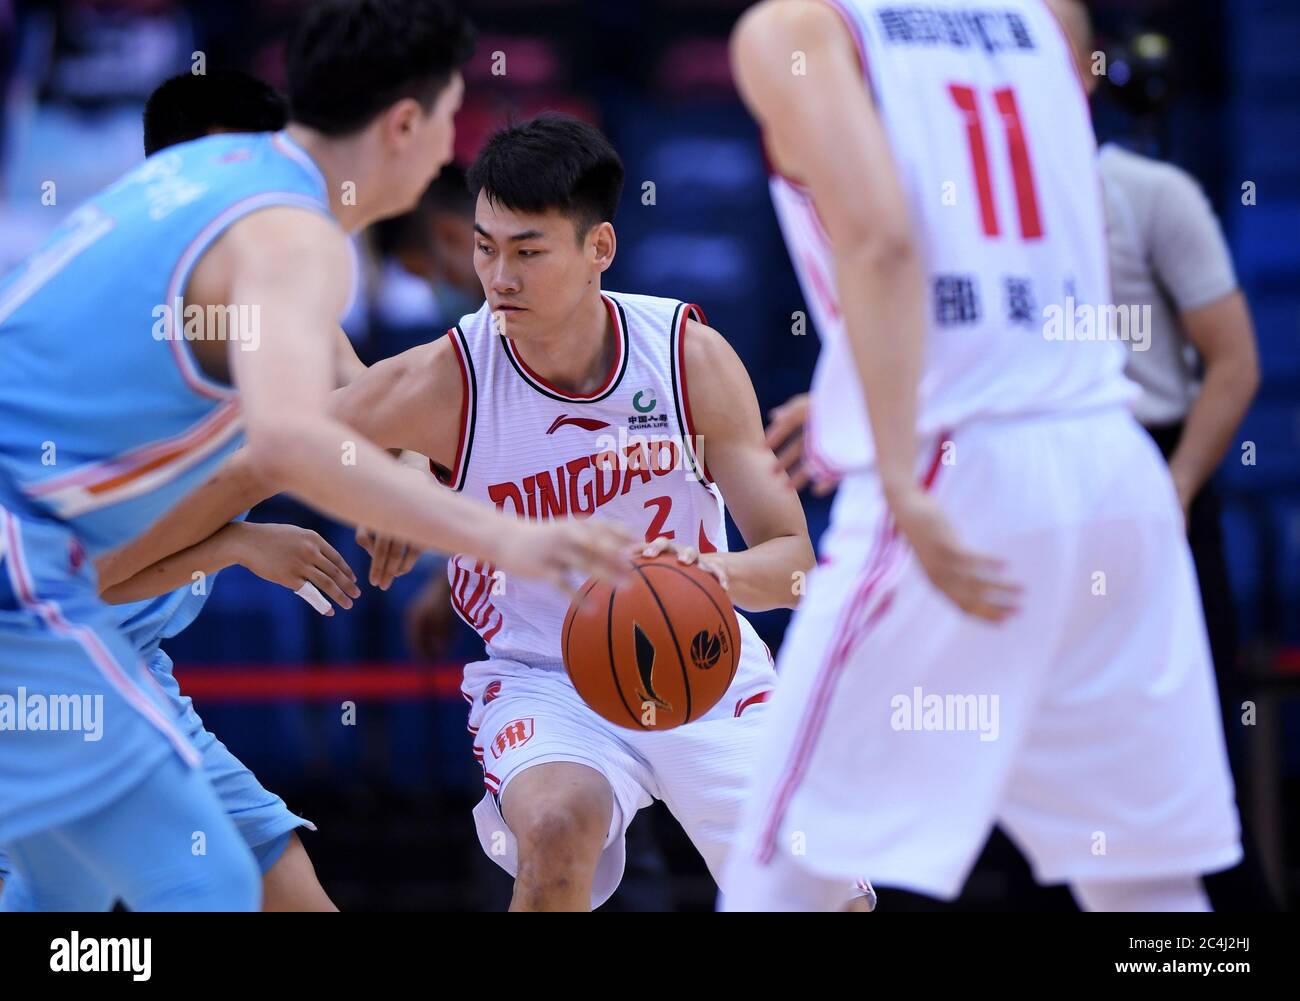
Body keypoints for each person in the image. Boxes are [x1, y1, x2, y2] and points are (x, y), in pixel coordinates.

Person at [0, 0, 627, 912]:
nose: (456, 140)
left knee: (94, 897)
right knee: (202, 887)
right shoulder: (293, 235)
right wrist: (507, 538)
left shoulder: (231, 173)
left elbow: (352, 405)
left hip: (67, 597)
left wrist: (402, 481)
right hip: (31, 589)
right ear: (405, 125)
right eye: (452, 112)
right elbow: (294, 440)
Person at [722, 0, 1240, 912]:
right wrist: (857, 377)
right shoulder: (1049, 15)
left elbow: (883, 241)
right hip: (1108, 463)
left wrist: (890, 464)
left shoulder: (792, 31)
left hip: (955, 468)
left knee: (780, 869)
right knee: (1148, 886)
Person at [0, 67, 349, 912]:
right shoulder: (112, 330)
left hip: (129, 666)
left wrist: (424, 481)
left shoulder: (258, 283)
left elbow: (374, 401)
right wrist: (236, 544)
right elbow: (97, 577)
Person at [1050, 0, 1274, 912]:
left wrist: (1172, 488)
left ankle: (1222, 935)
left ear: (1091, 69)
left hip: (1153, 465)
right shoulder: (970, 212)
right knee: (1048, 743)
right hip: (1043, 482)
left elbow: (1235, 362)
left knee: (1183, 745)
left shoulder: (1148, 193)